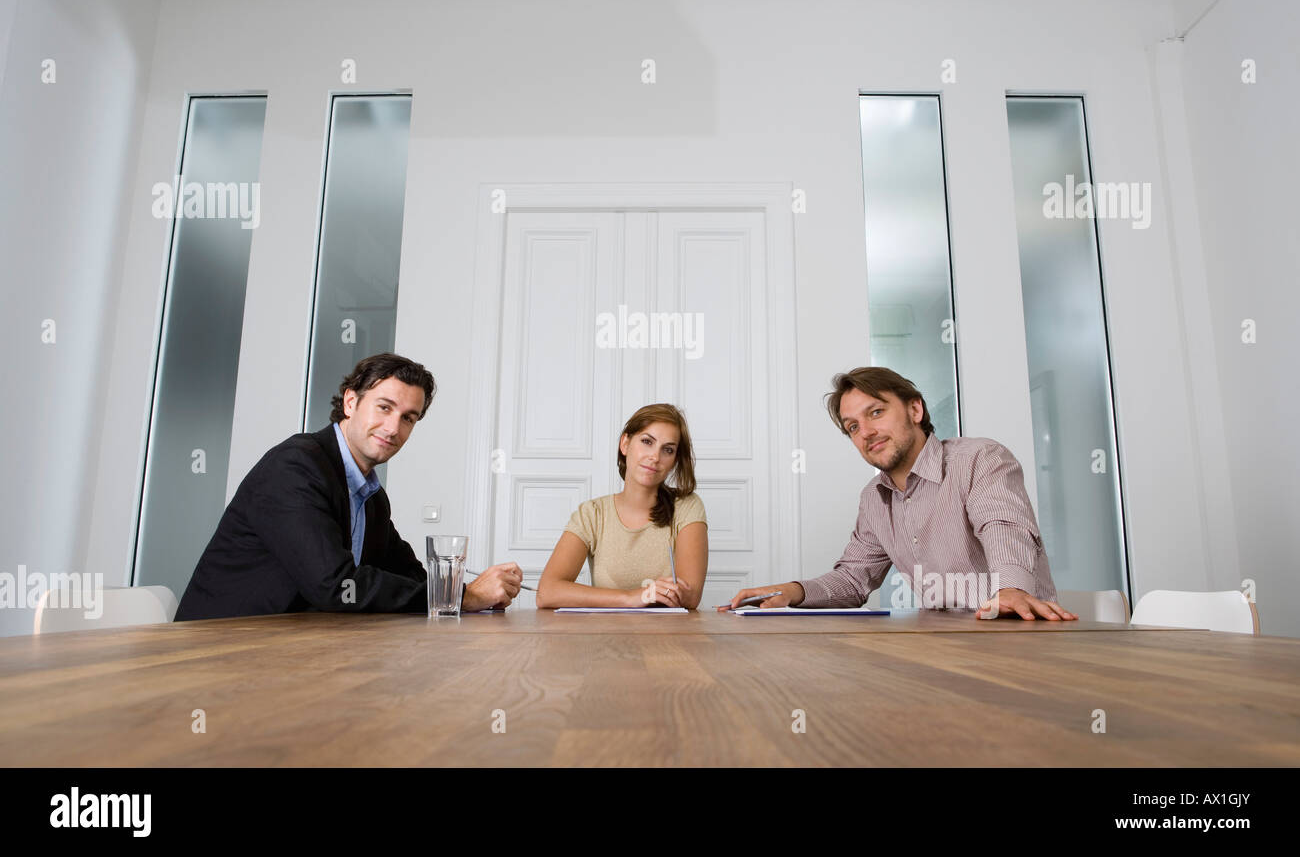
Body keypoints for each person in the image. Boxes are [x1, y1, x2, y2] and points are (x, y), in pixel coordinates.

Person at [175, 353, 521, 621]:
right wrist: (462, 597)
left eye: (408, 418)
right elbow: (336, 586)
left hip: (294, 647)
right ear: (351, 402)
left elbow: (409, 575)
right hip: (219, 650)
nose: (392, 427)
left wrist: (466, 594)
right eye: (384, 408)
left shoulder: (370, 495)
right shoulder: (295, 468)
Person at [722, 367, 1077, 621]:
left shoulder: (979, 459)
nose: (866, 432)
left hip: (1017, 633)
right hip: (944, 644)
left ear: (915, 409)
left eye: (876, 412)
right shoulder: (874, 498)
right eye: (853, 427)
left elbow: (1004, 528)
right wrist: (792, 591)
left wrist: (1011, 589)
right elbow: (853, 579)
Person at [537, 404, 707, 609]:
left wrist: (681, 595)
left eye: (668, 450)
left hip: (668, 637)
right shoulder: (592, 514)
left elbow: (691, 597)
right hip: (607, 637)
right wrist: (631, 597)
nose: (655, 457)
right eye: (647, 442)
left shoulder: (687, 507)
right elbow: (547, 593)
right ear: (625, 443)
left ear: (674, 461)